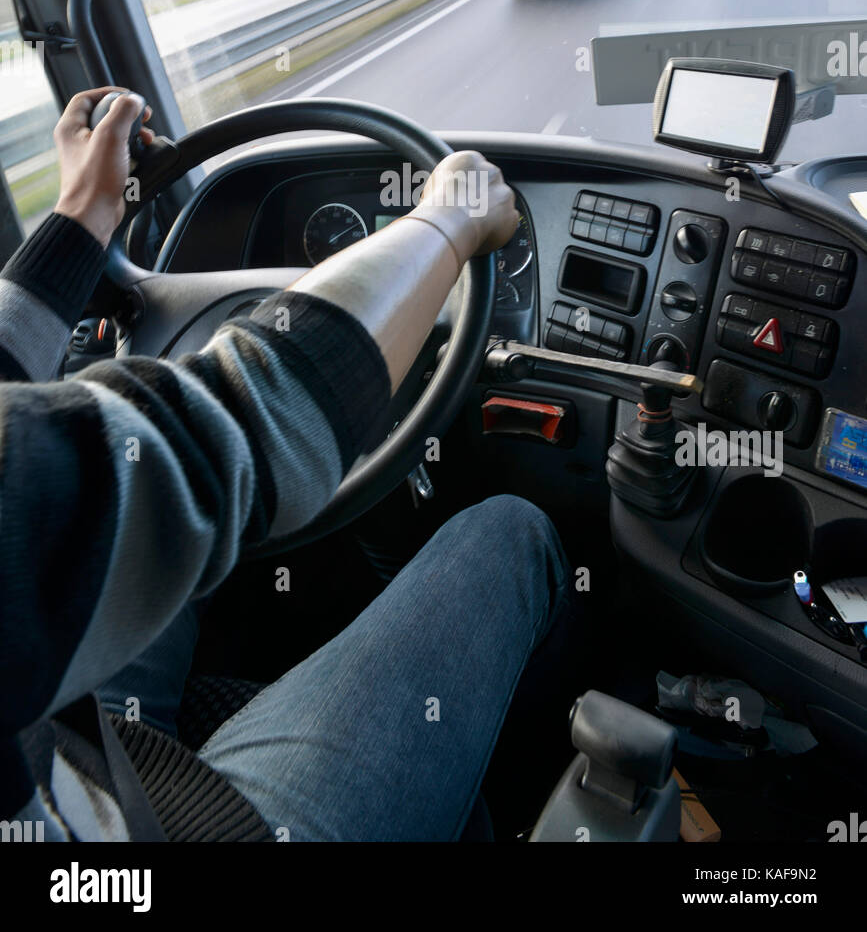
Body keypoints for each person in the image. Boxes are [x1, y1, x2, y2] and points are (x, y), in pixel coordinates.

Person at [0, 86, 571, 842]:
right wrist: (447, 222)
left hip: (58, 743)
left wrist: (82, 218)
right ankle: (540, 791)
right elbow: (247, 418)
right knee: (508, 534)